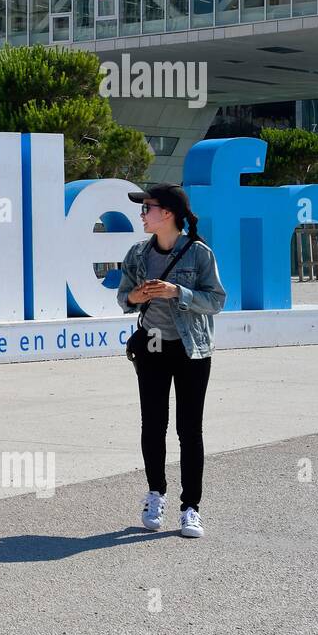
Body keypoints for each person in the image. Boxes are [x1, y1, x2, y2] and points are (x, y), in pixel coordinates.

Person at [116, 183, 226, 539]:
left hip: (192, 348)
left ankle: (191, 507)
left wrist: (178, 291)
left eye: (147, 208)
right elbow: (124, 299)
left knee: (189, 430)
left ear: (168, 213)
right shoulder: (137, 254)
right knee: (153, 424)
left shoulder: (198, 254)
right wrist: (137, 294)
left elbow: (216, 301)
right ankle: (155, 494)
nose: (142, 214)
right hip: (151, 345)